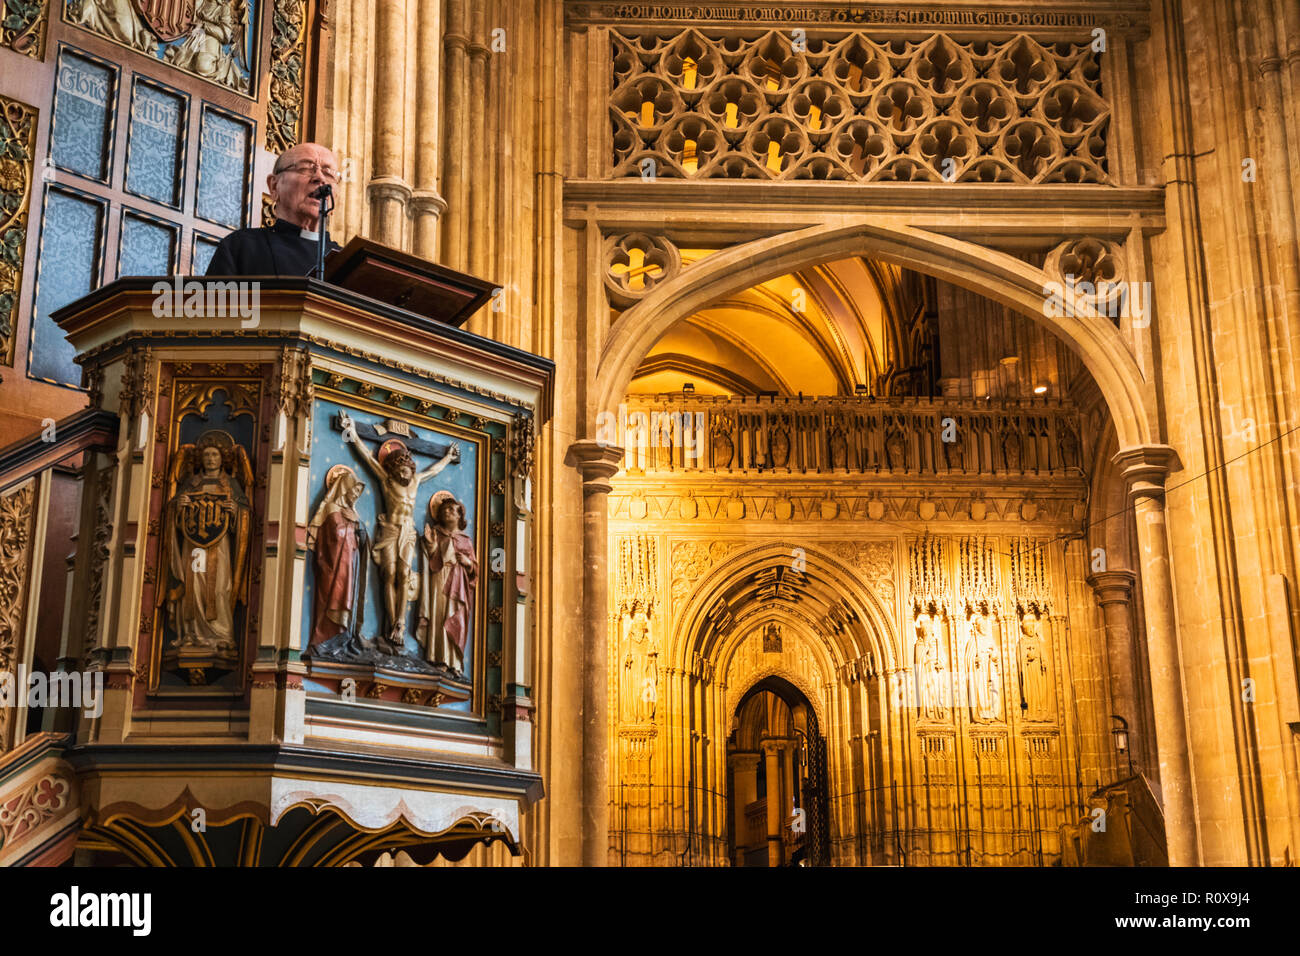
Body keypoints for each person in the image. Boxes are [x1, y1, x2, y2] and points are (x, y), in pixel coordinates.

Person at [205, 142, 344, 276]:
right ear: (274, 186)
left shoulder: (348, 263)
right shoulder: (241, 246)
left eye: (328, 173)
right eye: (305, 168)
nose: (320, 178)